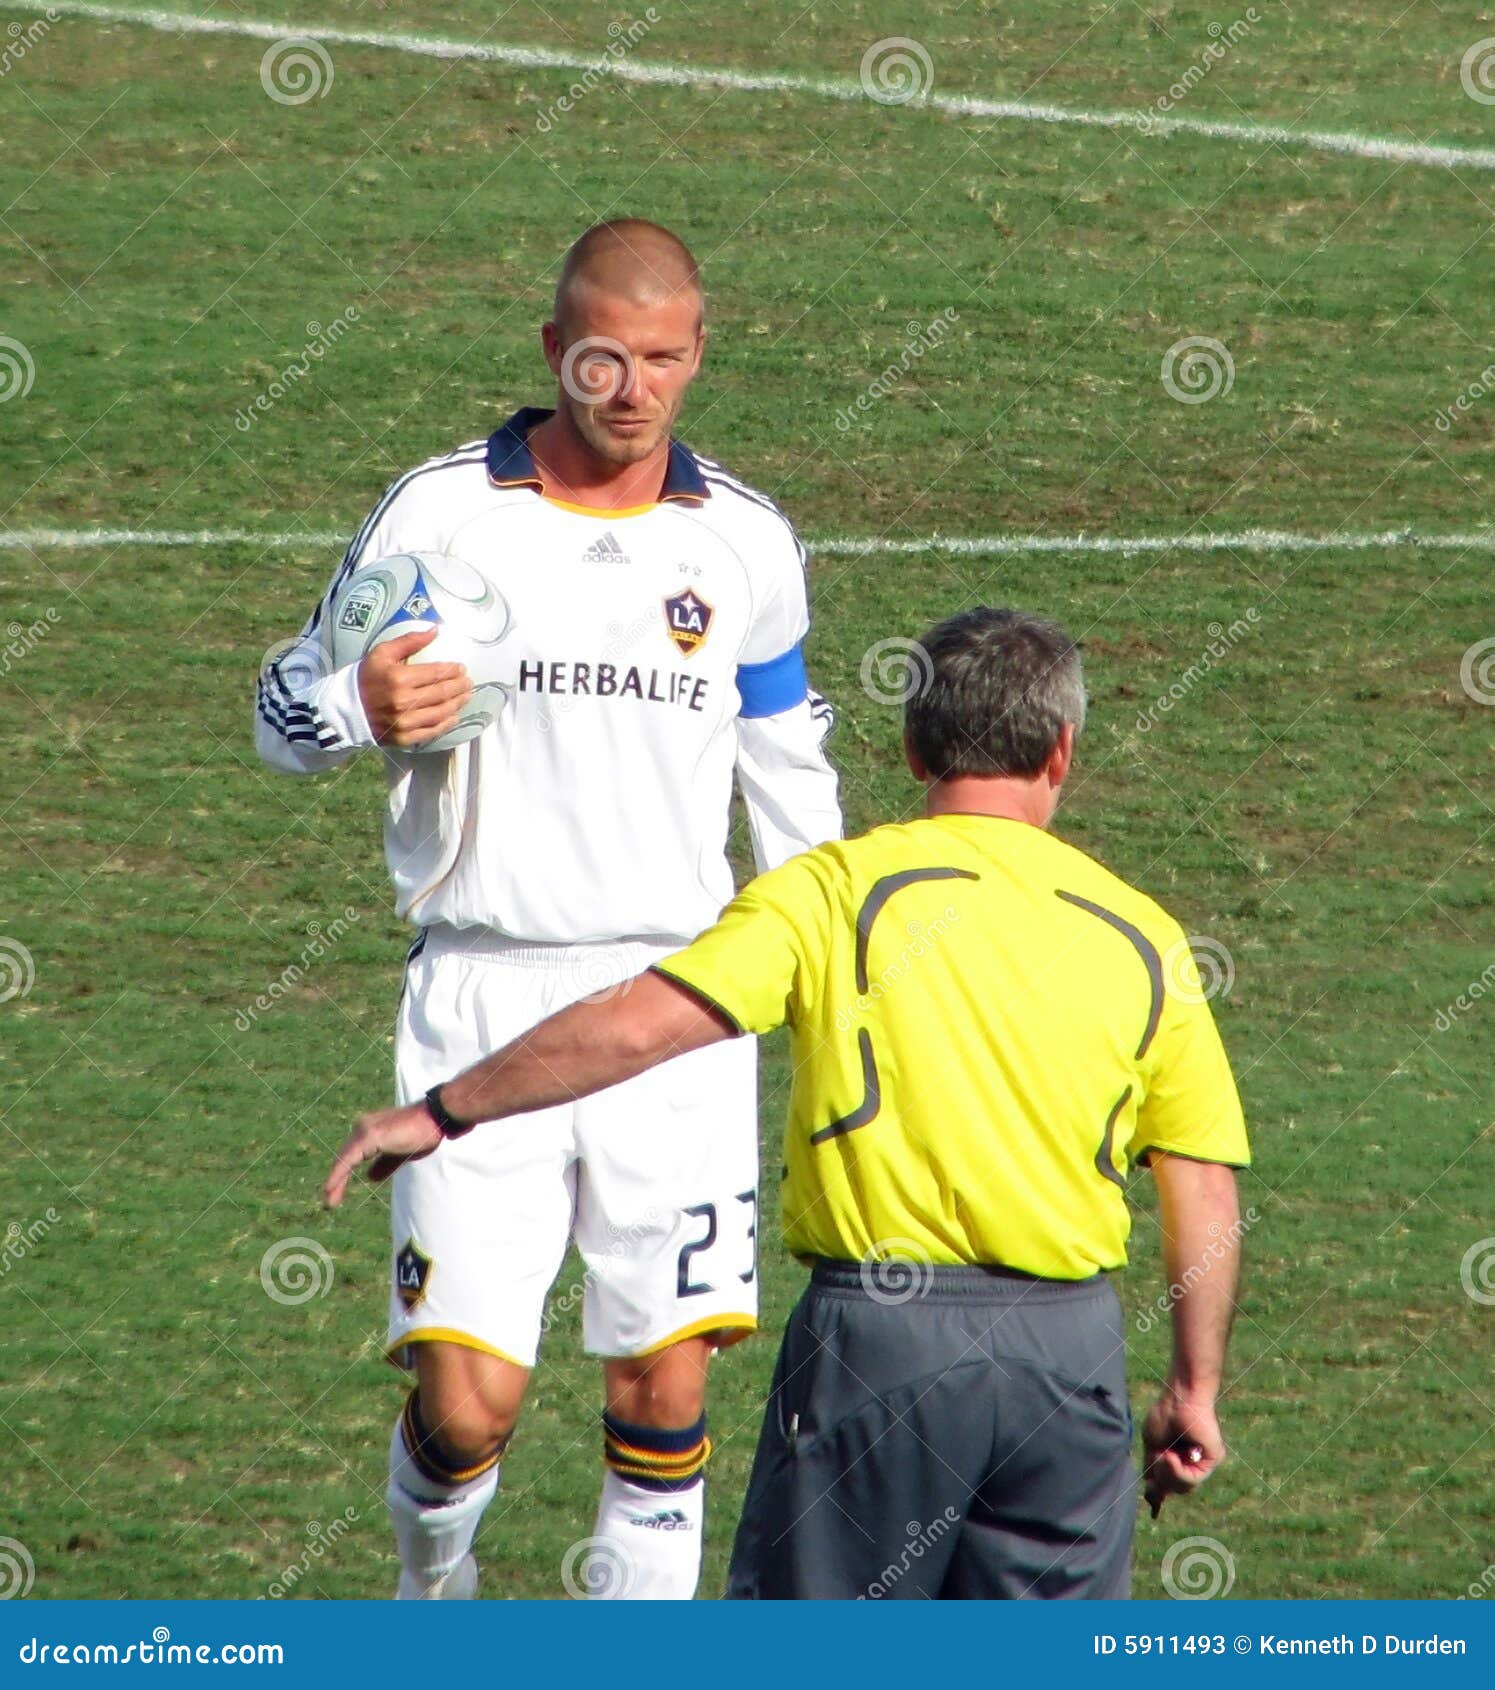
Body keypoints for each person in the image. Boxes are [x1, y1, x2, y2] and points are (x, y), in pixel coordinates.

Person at [327, 605, 1251, 1600]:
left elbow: (636, 1026)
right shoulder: (1145, 937)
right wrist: (1192, 1388)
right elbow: (1199, 1187)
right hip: (1068, 1361)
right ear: (1062, 747)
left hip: (880, 1346)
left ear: (909, 747)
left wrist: (449, 1107)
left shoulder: (833, 893)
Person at [260, 219, 842, 1600]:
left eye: (659, 358)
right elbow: (281, 714)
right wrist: (355, 703)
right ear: (551, 351)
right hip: (481, 986)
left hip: (678, 1005)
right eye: (601, 357)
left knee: (660, 1385)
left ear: (698, 355)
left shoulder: (745, 541)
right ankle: (433, 1597)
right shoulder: (440, 513)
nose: (629, 388)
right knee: (467, 1406)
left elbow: (790, 771)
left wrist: (845, 959)